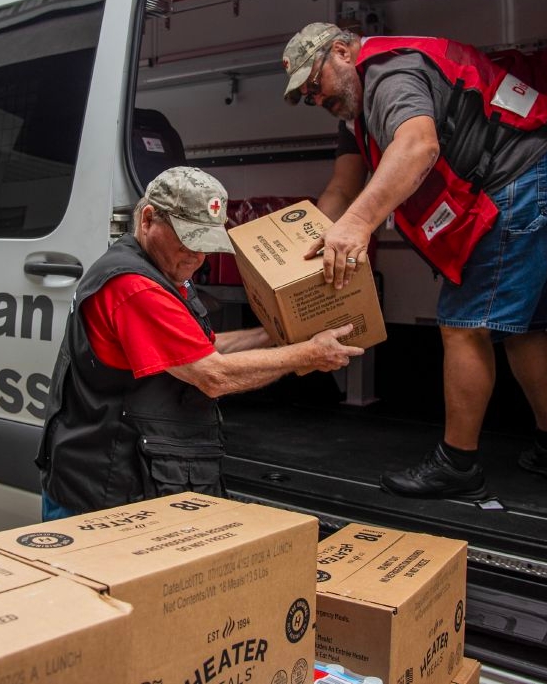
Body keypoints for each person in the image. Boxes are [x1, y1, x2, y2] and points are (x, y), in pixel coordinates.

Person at [281, 23, 547, 499]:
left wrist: (359, 225)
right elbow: (342, 189)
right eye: (304, 97)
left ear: (342, 52)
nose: (314, 99)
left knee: (463, 325)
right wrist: (292, 255)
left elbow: (418, 146)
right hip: (545, 165)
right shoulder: (356, 117)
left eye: (313, 86)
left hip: (524, 173)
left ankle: (457, 465)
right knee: (523, 326)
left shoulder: (387, 74)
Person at [35, 166, 363, 518]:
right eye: (189, 240)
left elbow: (204, 347)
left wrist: (276, 332)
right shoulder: (133, 286)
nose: (198, 257)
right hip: (101, 498)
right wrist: (305, 355)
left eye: (207, 245)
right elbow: (213, 375)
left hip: (120, 484)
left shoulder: (164, 272)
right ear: (148, 220)